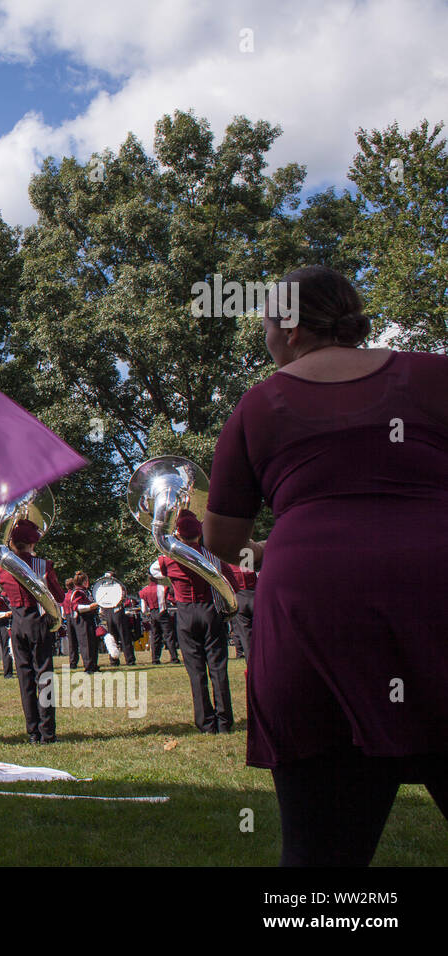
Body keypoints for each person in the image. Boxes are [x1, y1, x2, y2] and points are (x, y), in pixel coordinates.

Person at [203, 265, 448, 866]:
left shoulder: (259, 405)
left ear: (287, 327)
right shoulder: (435, 374)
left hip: (315, 614)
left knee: (320, 858)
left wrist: (275, 547)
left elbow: (223, 543)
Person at [158, 511, 236, 734]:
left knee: (196, 671)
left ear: (179, 536)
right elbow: (229, 581)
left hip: (185, 613)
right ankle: (224, 721)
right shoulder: (211, 555)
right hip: (210, 609)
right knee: (218, 667)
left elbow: (157, 569)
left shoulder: (167, 558)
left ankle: (205, 722)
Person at [0, 519, 64, 743]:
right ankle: (47, 733)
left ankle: (32, 732)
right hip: (38, 620)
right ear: (33, 543)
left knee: (25, 677)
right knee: (44, 675)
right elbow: (60, 597)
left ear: (11, 541)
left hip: (17, 623)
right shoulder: (44, 565)